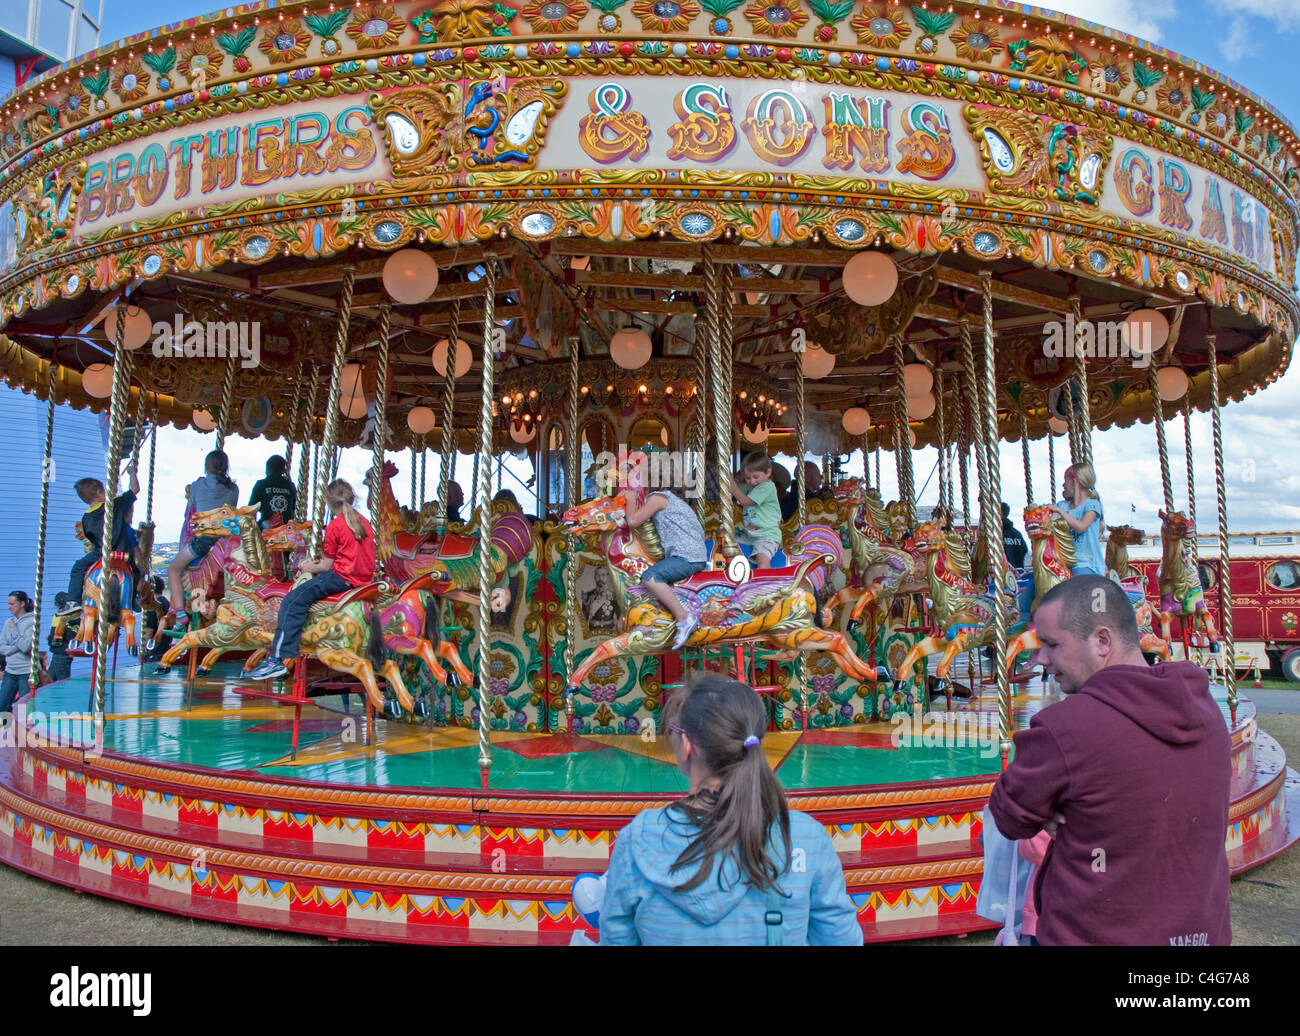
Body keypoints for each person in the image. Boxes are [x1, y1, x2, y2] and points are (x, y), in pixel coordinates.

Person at [988, 575, 1231, 946]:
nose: (1041, 659)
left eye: (1052, 645)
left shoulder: (1063, 729)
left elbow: (1008, 815)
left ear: (1102, 641)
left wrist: (1058, 812)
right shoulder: (1205, 711)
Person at [598, 673, 863, 945]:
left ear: (687, 745)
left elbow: (616, 938)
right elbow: (840, 938)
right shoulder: (805, 839)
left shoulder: (637, 840)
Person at [246, 480, 376, 681]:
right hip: (363, 579)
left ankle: (278, 659)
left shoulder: (335, 525)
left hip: (342, 578)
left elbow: (325, 566)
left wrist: (308, 566)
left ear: (328, 502)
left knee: (292, 601)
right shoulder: (364, 522)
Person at [623, 482, 709, 651]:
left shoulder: (658, 498)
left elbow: (633, 521)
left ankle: (683, 617)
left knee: (650, 577)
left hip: (687, 557)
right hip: (692, 555)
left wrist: (630, 499)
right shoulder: (672, 499)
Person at [165, 451, 239, 630]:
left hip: (204, 542)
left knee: (173, 569)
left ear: (206, 465)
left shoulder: (197, 486)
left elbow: (191, 510)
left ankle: (180, 613)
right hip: (228, 544)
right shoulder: (233, 489)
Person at [65, 465, 141, 612]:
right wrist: (132, 474)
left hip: (101, 551)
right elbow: (135, 490)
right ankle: (133, 598)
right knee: (135, 570)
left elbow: (90, 537)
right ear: (99, 492)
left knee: (78, 567)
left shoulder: (86, 518)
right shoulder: (115, 505)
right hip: (122, 552)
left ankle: (73, 600)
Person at [1047, 462, 1104, 576]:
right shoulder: (1062, 505)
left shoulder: (1092, 504)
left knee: (1076, 586)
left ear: (1075, 481)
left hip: (1086, 564)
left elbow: (1081, 527)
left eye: (1065, 480)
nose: (1063, 485)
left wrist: (1060, 512)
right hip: (1062, 562)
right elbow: (1049, 526)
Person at [730, 452, 782, 569]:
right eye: (748, 478)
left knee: (762, 558)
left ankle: (764, 583)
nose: (752, 481)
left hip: (767, 536)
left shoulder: (767, 487)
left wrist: (731, 483)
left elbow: (744, 501)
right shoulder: (752, 487)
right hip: (751, 536)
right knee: (728, 542)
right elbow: (735, 491)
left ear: (768, 472)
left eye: (755, 477)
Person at [0, 591, 37, 714]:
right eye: (8, 604)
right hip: (10, 670)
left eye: (12, 604)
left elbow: (25, 647)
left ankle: (21, 732)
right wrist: (13, 648)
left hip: (26, 672)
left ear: (21, 604)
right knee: (2, 705)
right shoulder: (8, 622)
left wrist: (15, 630)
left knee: (24, 709)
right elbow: (2, 645)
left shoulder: (32, 622)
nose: (9, 607)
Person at [248, 456, 297, 529]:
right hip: (286, 528)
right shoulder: (290, 485)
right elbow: (294, 509)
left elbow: (251, 510)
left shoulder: (261, 484)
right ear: (283, 470)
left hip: (266, 527)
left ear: (267, 469)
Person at [46, 594, 73, 681]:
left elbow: (56, 640)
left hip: (60, 653)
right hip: (65, 653)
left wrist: (49, 638)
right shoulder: (75, 618)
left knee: (61, 682)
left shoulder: (59, 617)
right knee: (50, 679)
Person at [1001, 501, 1029, 571]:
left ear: (1000, 513)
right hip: (1018, 570)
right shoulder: (1017, 534)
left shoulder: (997, 533)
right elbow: (1025, 550)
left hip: (1005, 572)